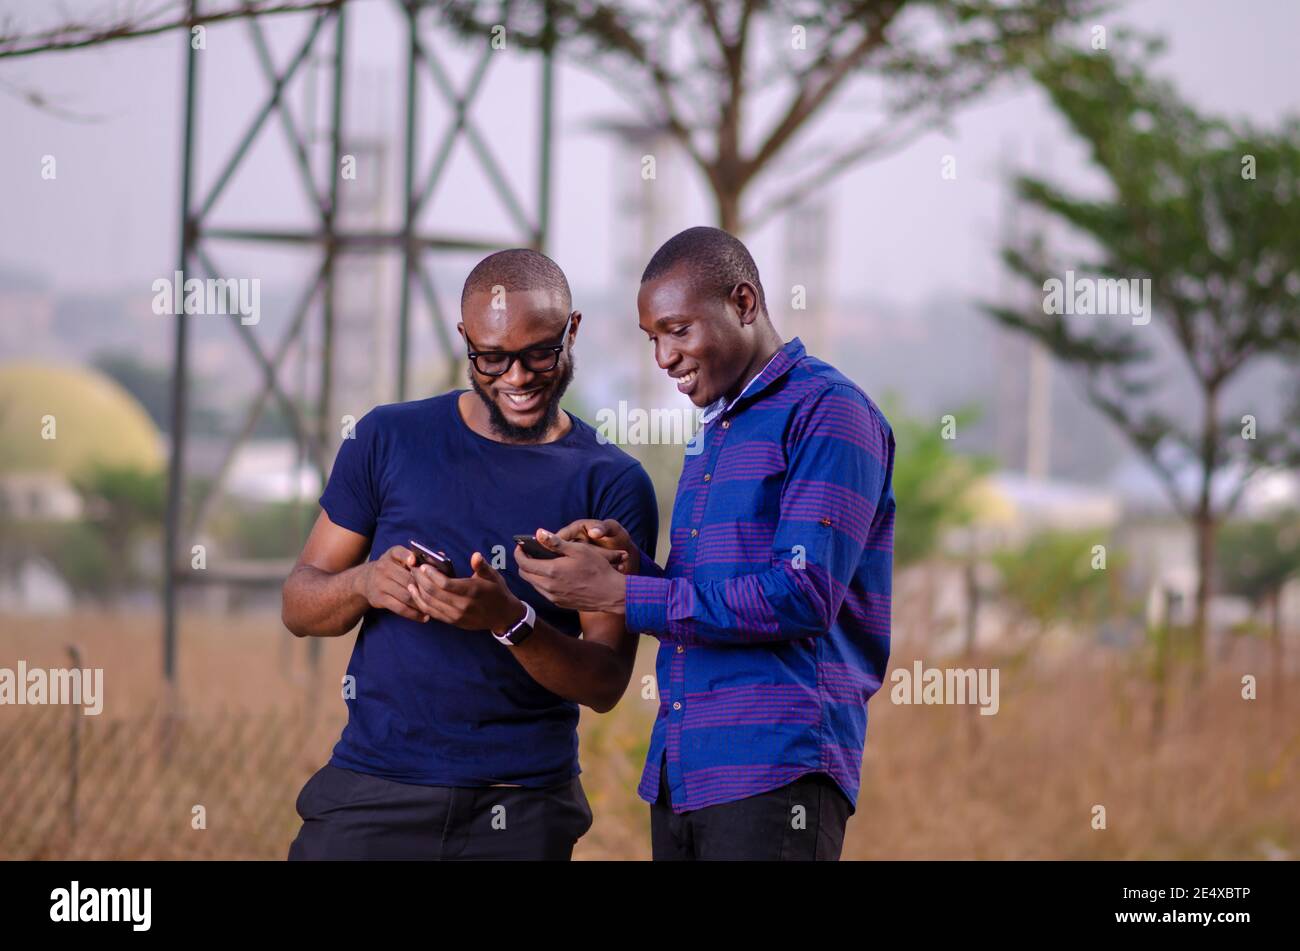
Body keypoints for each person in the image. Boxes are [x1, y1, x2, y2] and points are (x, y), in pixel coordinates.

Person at [516, 226, 895, 861]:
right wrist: (631, 568)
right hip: (683, 771)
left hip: (777, 770)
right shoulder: (716, 430)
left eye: (678, 330)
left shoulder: (829, 412)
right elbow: (709, 599)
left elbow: (803, 595)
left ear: (744, 304)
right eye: (652, 340)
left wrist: (623, 593)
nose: (663, 357)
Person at [282, 248, 658, 860]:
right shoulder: (386, 438)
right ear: (465, 340)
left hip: (522, 803)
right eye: (491, 357)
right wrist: (365, 583)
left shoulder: (611, 483)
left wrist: (511, 622)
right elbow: (299, 603)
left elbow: (606, 681)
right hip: (374, 789)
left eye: (541, 352)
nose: (517, 377)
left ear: (573, 330)